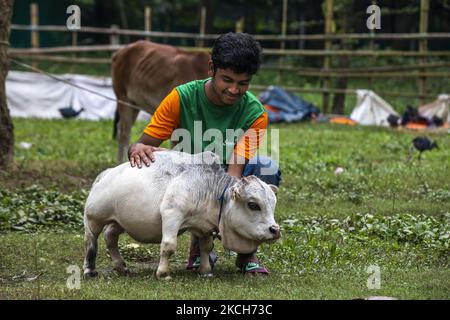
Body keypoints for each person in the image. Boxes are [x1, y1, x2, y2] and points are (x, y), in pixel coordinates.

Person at [128, 32, 281, 275]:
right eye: (227, 79)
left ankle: (246, 253)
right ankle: (198, 247)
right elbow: (144, 144)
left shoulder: (256, 113)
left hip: (227, 177)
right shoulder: (180, 98)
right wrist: (138, 148)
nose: (234, 89)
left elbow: (234, 173)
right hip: (187, 179)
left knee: (266, 168)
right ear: (211, 68)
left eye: (243, 83)